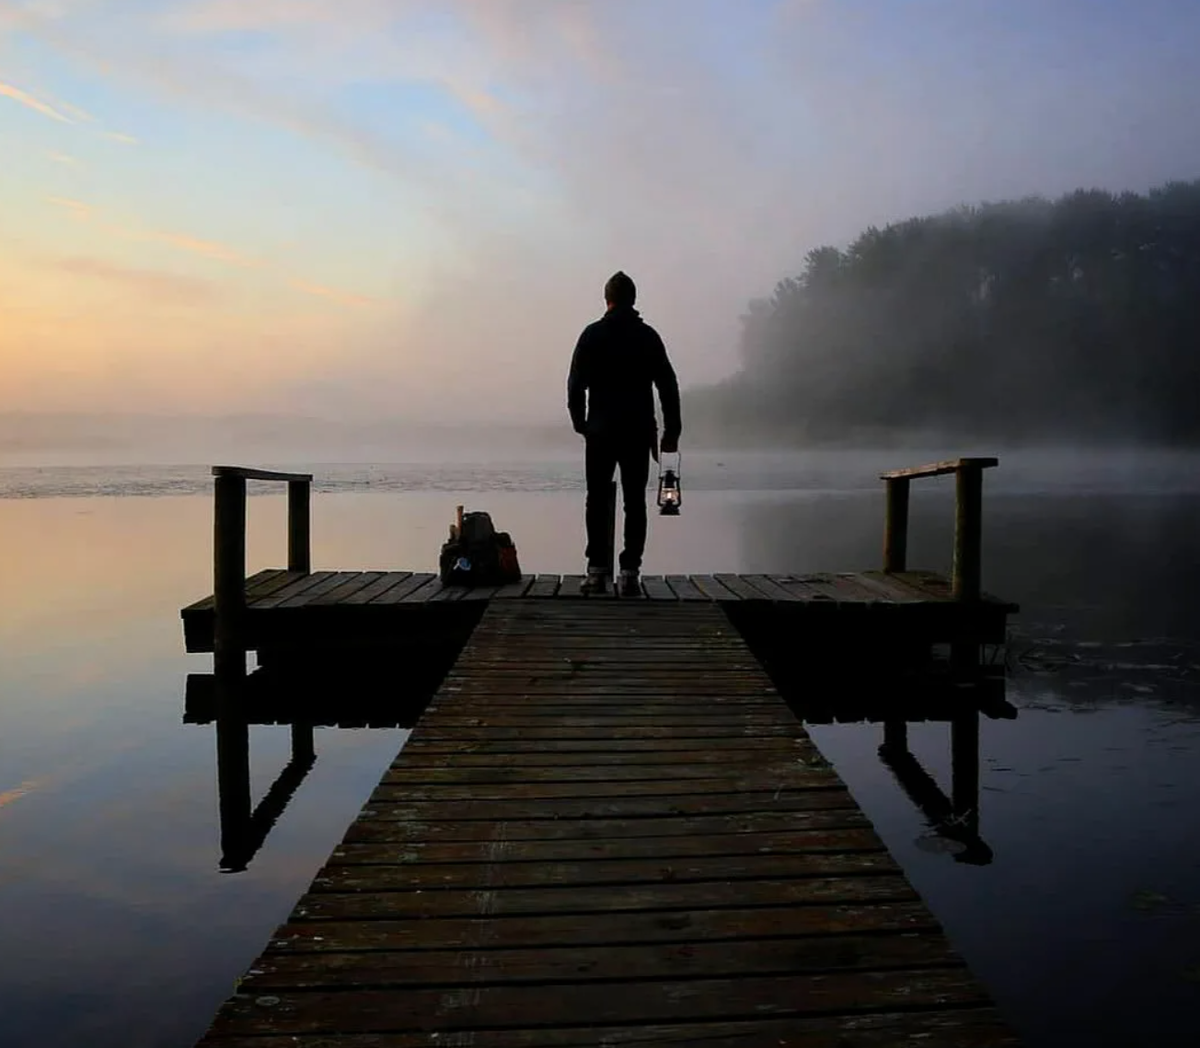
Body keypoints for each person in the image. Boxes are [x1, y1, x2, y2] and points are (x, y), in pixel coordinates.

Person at [567, 271, 681, 596]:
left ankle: (597, 572)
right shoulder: (648, 337)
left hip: (600, 431)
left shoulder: (592, 335)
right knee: (635, 502)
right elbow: (667, 385)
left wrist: (580, 423)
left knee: (597, 500)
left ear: (607, 300)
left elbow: (575, 384)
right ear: (633, 300)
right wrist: (672, 430)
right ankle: (630, 572)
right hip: (637, 430)